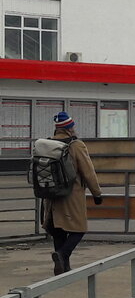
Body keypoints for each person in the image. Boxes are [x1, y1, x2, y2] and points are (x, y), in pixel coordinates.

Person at [42, 112, 102, 275]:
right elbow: (88, 171)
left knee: (58, 229)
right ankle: (62, 255)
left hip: (51, 195)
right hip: (71, 195)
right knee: (79, 228)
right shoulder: (76, 145)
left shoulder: (47, 144)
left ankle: (62, 267)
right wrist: (97, 193)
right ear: (69, 128)